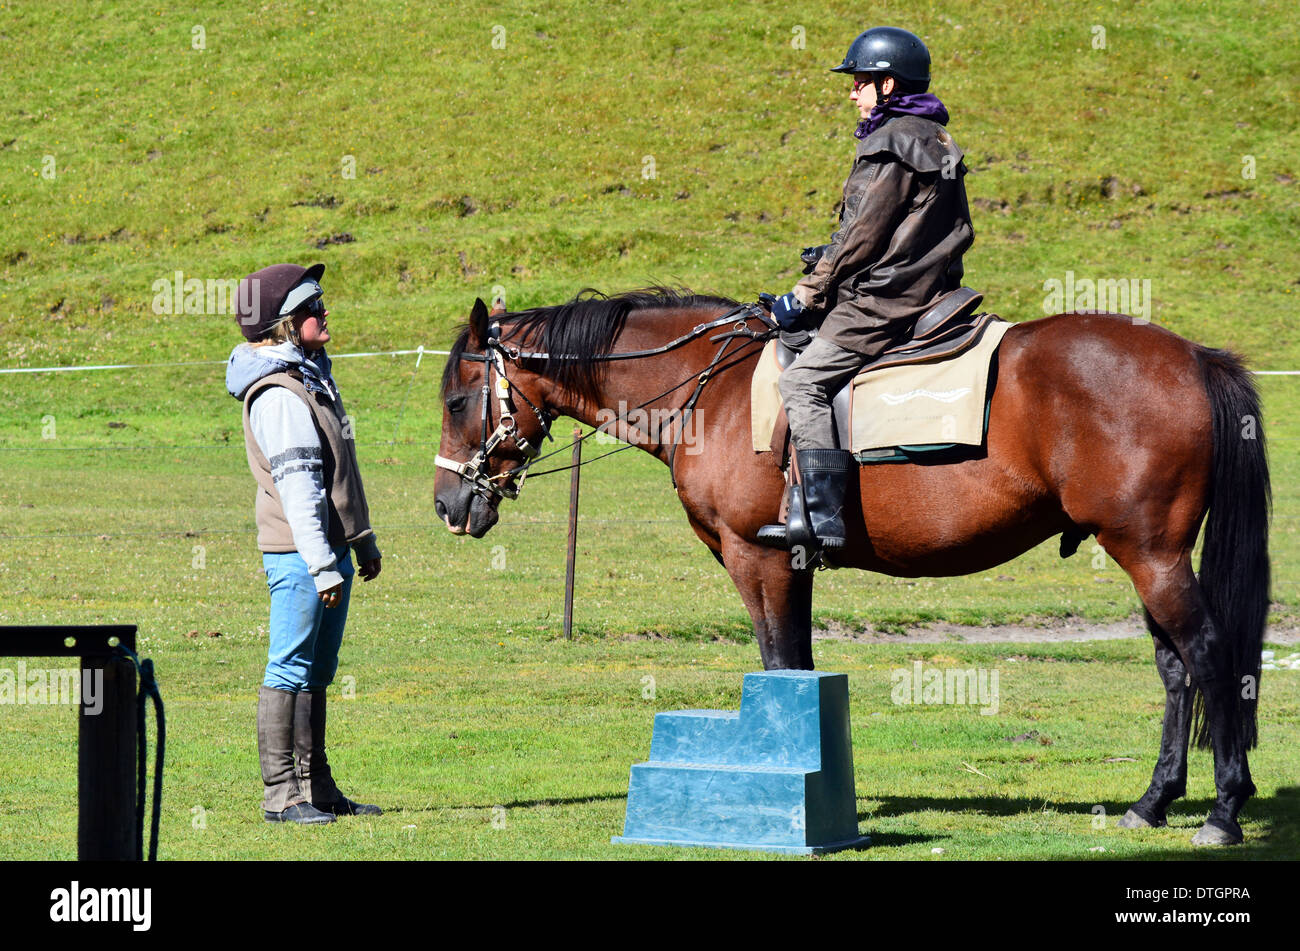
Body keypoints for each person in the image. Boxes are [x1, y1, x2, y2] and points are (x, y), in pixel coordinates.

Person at [759, 26, 975, 552]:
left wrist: (807, 291)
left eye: (860, 81)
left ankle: (822, 516)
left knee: (803, 382)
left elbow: (862, 235)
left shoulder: (893, 141)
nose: (851, 92)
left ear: (889, 85)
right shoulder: (936, 138)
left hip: (884, 298)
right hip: (928, 286)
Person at [226, 262, 383, 824]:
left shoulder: (312, 377)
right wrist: (321, 565)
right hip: (299, 555)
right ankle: (281, 796)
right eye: (312, 306)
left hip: (326, 551)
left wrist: (360, 542)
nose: (324, 313)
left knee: (317, 671)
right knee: (289, 668)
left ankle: (317, 788)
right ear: (283, 323)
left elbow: (342, 475)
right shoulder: (281, 395)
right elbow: (299, 489)